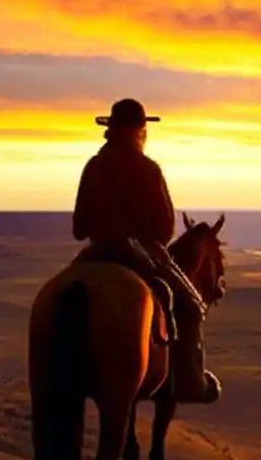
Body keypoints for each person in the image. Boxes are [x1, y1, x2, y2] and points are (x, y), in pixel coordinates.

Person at [71, 98, 220, 404]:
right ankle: (191, 382)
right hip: (139, 253)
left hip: (95, 252)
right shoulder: (148, 169)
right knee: (191, 307)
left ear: (111, 128)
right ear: (140, 130)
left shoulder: (94, 166)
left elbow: (78, 227)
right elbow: (165, 230)